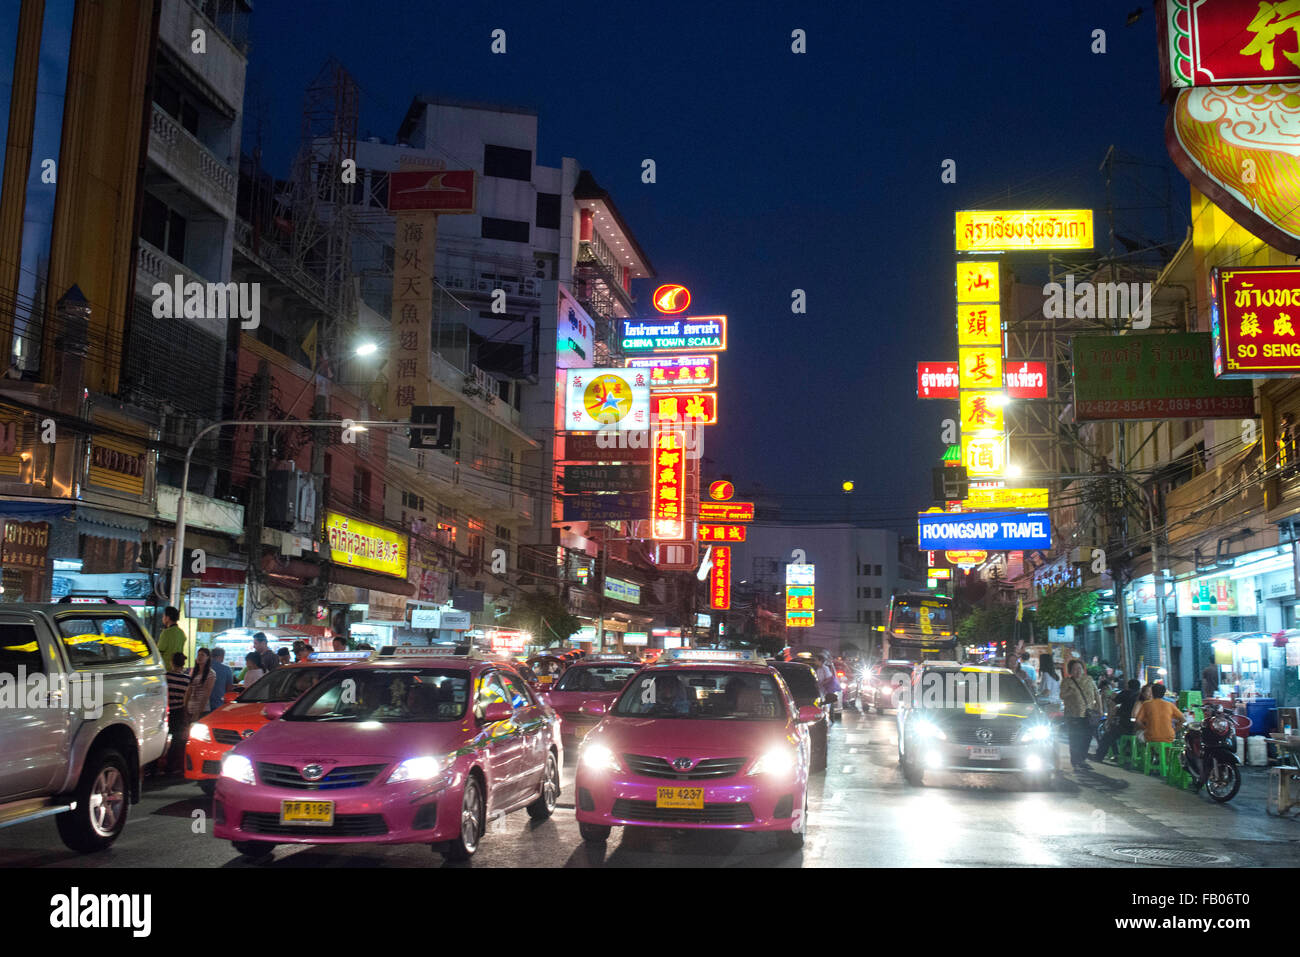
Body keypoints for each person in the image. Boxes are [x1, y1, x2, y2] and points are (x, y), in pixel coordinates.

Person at [1060, 659, 1101, 771]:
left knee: (1086, 738)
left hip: (1088, 715)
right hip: (1073, 715)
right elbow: (1062, 696)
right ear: (1070, 671)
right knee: (1075, 738)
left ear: (1083, 670)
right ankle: (1075, 761)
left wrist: (1099, 708)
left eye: (1079, 668)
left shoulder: (1089, 680)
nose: (1077, 671)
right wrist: (1071, 692)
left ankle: (1082, 759)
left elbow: (1097, 694)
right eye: (1074, 669)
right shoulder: (1067, 682)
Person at [158, 652, 191, 774]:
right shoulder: (187, 679)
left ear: (172, 662)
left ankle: (155, 766)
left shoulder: (165, 677)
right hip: (179, 711)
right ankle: (171, 765)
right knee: (177, 739)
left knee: (162, 737)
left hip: (165, 710)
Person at [1094, 678, 1142, 762]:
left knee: (1108, 736)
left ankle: (1099, 756)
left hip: (1124, 724)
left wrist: (1109, 694)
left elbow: (1115, 699)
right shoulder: (1140, 696)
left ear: (1128, 686)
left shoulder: (1126, 693)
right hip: (1138, 726)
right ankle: (1119, 755)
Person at [185, 646, 216, 721]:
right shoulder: (193, 671)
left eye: (202, 655)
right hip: (190, 708)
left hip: (202, 710)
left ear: (207, 657)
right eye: (198, 655)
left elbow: (206, 694)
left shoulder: (211, 673)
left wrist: (198, 713)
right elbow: (189, 691)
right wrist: (185, 706)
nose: (199, 657)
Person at [207, 647, 234, 713]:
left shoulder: (204, 667)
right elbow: (229, 688)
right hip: (219, 702)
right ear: (221, 656)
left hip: (204, 704)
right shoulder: (226, 669)